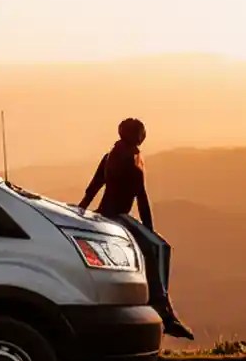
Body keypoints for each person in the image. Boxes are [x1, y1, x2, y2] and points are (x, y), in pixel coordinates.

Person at [78, 118, 195, 340]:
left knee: (159, 247)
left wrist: (80, 212)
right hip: (114, 215)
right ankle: (165, 312)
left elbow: (94, 191)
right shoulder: (125, 158)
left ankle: (164, 308)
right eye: (141, 131)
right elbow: (138, 198)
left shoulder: (123, 155)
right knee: (156, 249)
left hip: (117, 215)